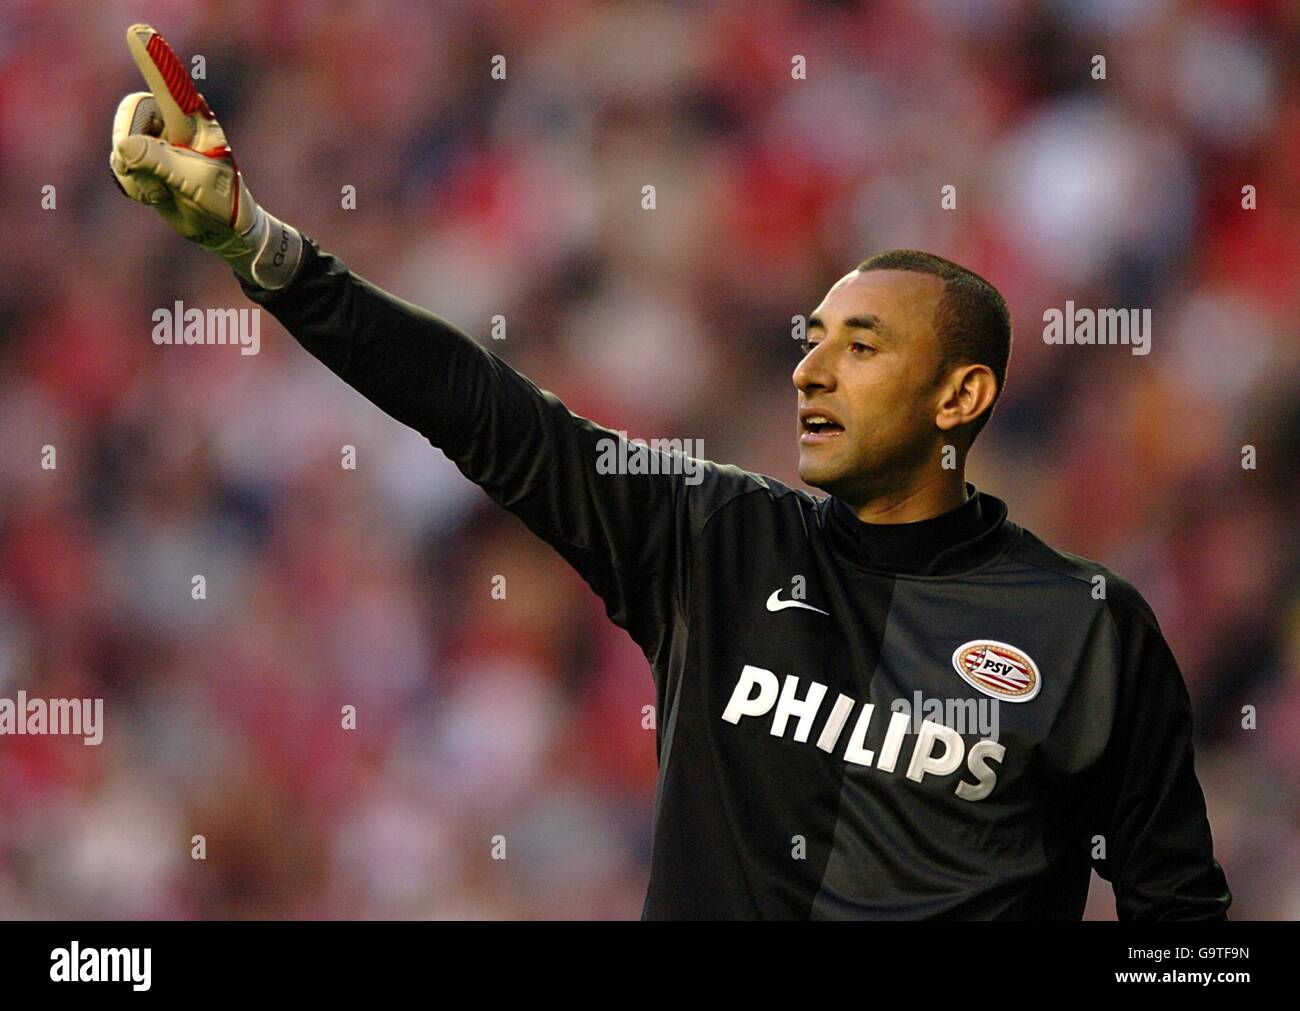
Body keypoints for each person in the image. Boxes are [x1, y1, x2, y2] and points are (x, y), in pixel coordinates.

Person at [109, 24, 1231, 919]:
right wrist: (263, 248)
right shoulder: (713, 540)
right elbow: (481, 410)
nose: (812, 374)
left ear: (961, 397)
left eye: (861, 347)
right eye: (810, 342)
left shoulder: (1085, 630)